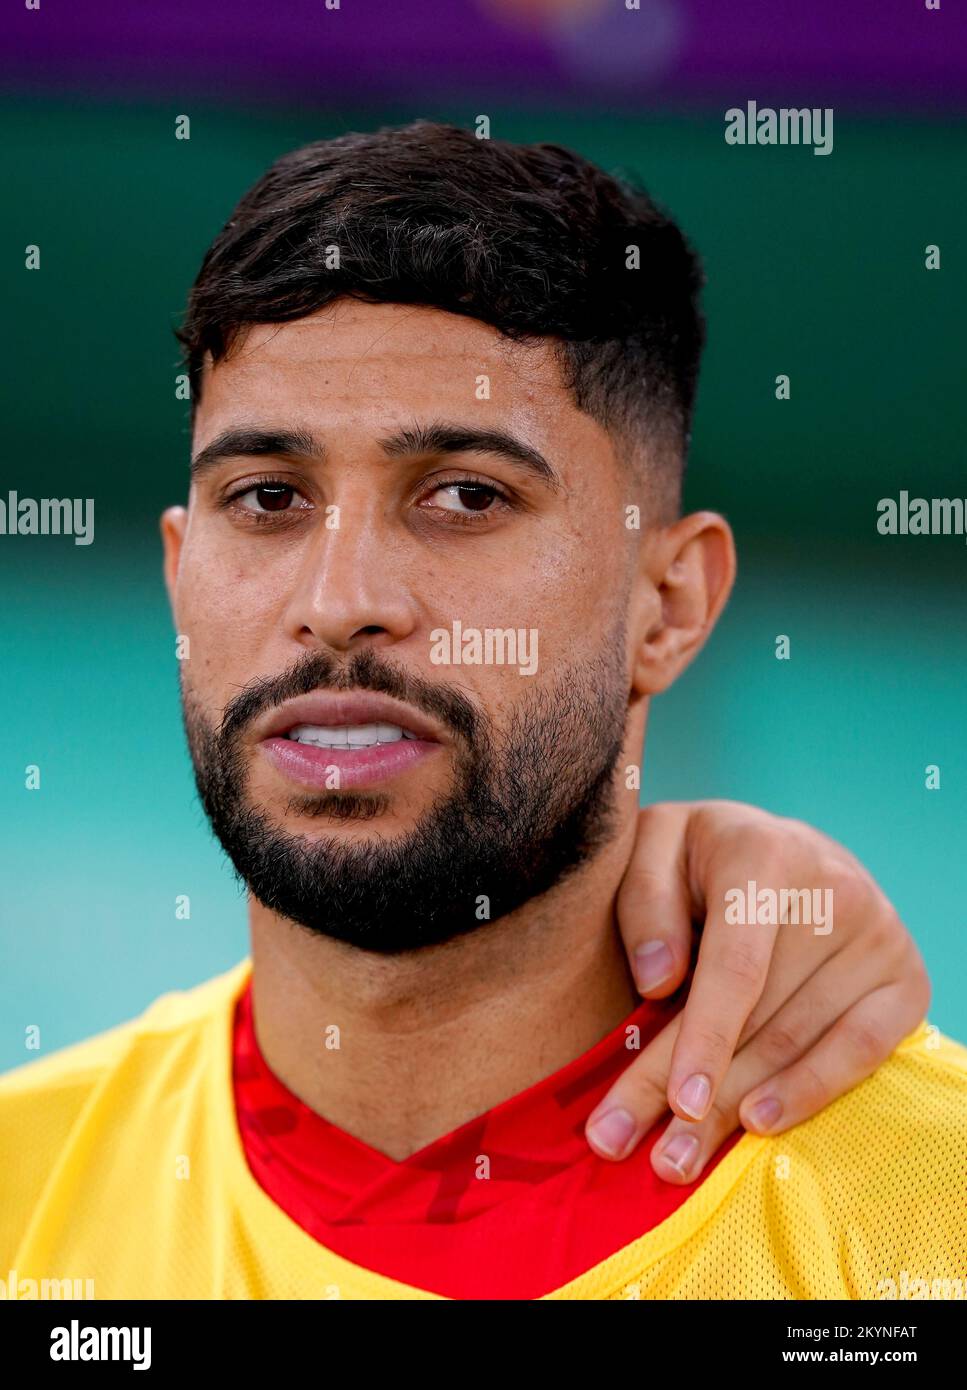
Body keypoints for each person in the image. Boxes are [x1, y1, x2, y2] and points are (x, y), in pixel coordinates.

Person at [1, 123, 962, 1302]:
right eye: (266, 496)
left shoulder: (931, 1213)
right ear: (178, 573)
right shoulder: (22, 1195)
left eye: (464, 494)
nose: (340, 602)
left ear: (667, 605)